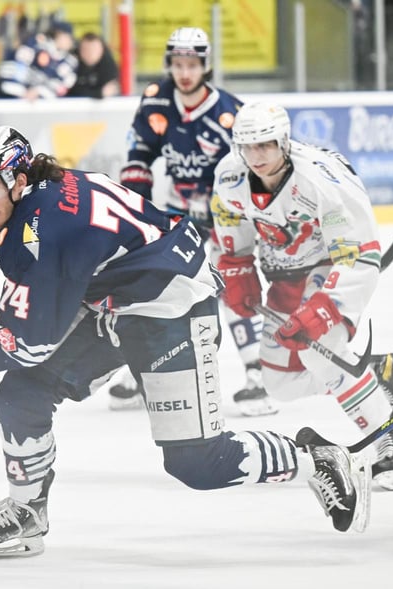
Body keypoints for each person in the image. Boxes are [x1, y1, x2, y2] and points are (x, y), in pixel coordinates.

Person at [0, 126, 373, 559]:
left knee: (199, 463)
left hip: (171, 308)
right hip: (117, 302)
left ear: (18, 178)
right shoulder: (43, 192)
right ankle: (27, 513)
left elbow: (32, 338)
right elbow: (19, 239)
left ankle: (317, 459)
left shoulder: (52, 227)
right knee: (22, 395)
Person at [212, 102, 393, 492]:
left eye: (266, 145)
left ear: (283, 141)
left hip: (333, 265)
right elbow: (230, 226)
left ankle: (390, 446)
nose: (257, 156)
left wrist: (327, 309)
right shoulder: (229, 177)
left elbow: (359, 253)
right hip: (283, 274)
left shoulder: (319, 181)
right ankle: (381, 373)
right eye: (248, 146)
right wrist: (237, 269)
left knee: (317, 348)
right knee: (281, 383)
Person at [111, 26, 274, 417]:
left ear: (206, 66)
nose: (184, 72)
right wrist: (137, 205)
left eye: (193, 64)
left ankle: (256, 376)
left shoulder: (229, 114)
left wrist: (230, 209)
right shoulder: (156, 103)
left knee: (232, 289)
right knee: (156, 288)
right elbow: (140, 153)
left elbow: (253, 169)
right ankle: (142, 372)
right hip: (178, 215)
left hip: (225, 218)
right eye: (178, 64)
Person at [0, 19, 77, 100]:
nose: (70, 41)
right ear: (58, 34)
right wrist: (22, 91)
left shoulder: (70, 62)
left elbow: (62, 87)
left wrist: (38, 91)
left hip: (43, 103)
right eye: (68, 37)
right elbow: (16, 66)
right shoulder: (36, 45)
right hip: (15, 95)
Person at [66, 31, 118, 98]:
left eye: (94, 49)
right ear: (79, 50)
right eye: (86, 50)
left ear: (102, 50)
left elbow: (110, 89)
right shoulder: (71, 62)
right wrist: (99, 93)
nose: (91, 54)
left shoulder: (108, 63)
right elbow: (71, 91)